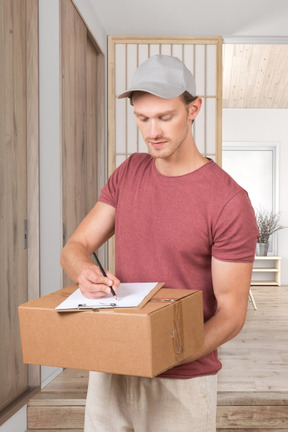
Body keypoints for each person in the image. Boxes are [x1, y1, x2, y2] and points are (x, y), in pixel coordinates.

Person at [60, 55, 259, 432]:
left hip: (182, 381)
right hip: (112, 367)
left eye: (165, 117)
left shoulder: (228, 201)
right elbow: (76, 245)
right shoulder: (128, 173)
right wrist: (83, 271)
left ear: (193, 108)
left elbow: (232, 315)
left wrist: (163, 354)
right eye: (142, 117)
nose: (153, 131)